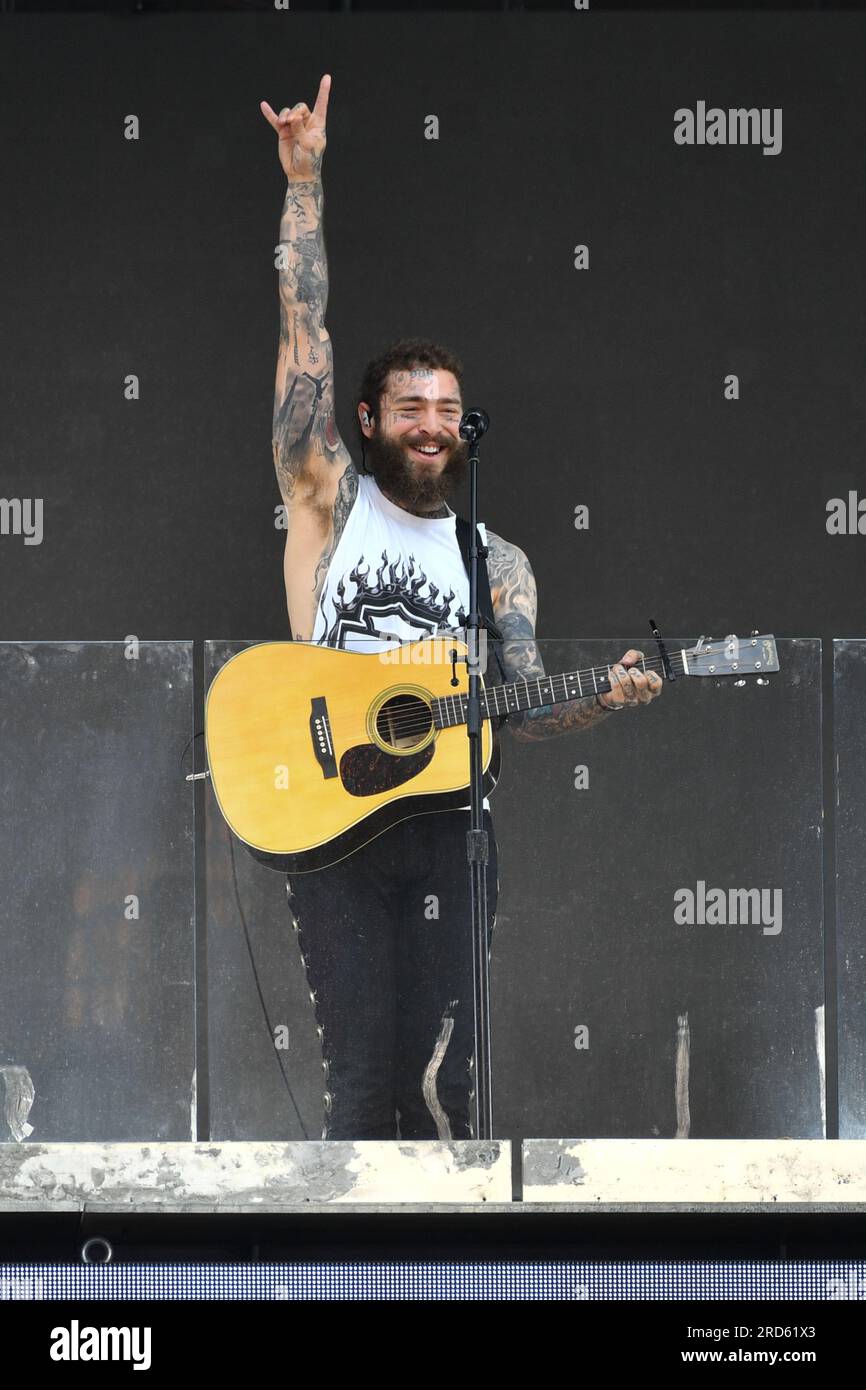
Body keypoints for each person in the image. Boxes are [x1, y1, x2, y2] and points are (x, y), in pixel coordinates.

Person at [259, 76, 663, 1140]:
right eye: (409, 409)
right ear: (368, 420)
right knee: (359, 1080)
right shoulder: (327, 498)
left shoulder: (497, 560)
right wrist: (304, 185)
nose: (431, 426)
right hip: (334, 817)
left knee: (443, 1086)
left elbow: (521, 706)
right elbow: (304, 328)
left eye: (446, 410)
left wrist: (609, 698)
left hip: (449, 827)